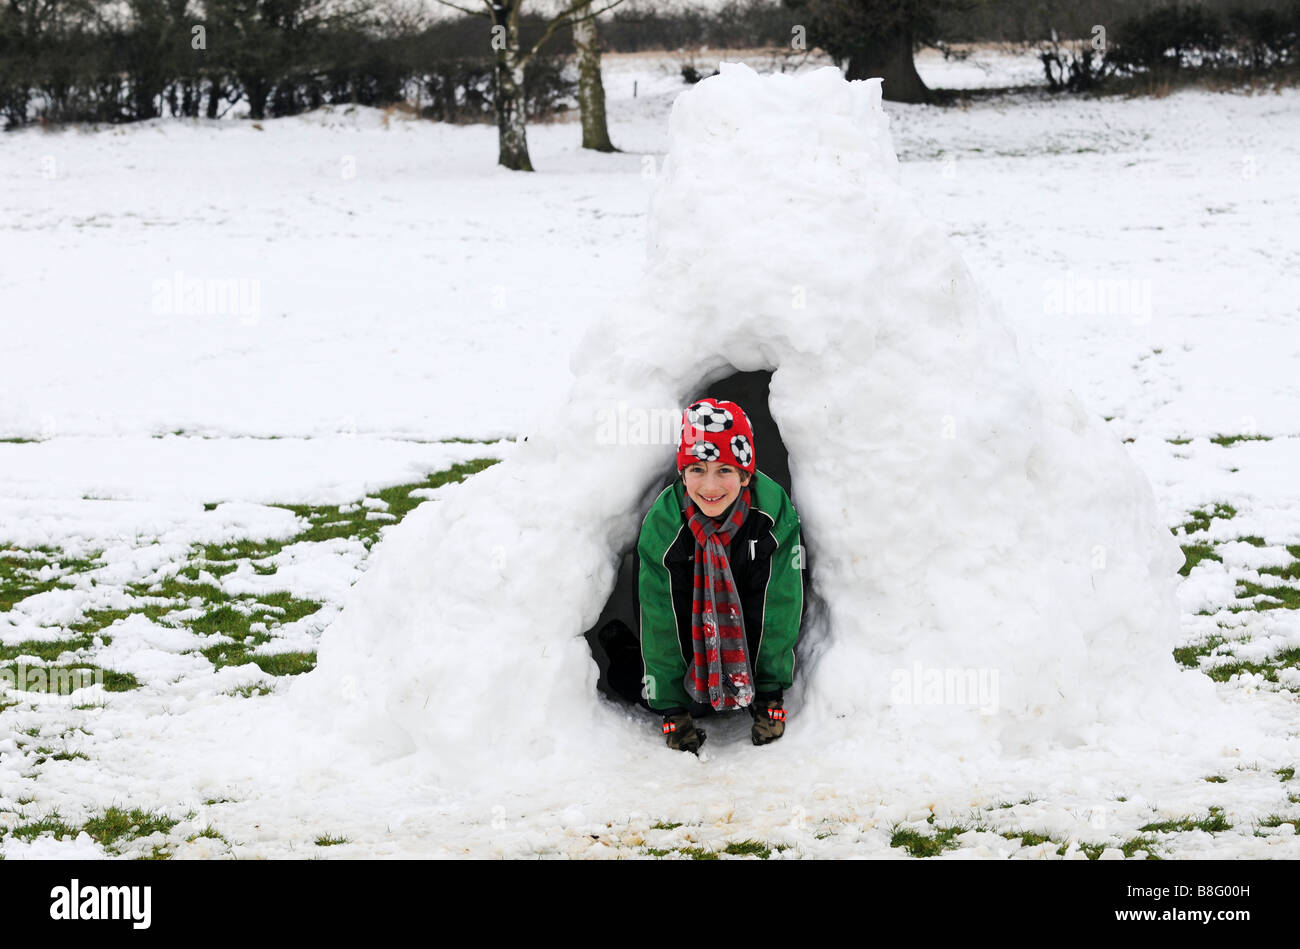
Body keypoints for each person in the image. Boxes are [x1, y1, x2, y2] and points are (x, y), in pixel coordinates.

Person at [633, 396, 805, 754]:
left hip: (745, 627)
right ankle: (620, 648)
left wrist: (770, 690)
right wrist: (671, 708)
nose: (710, 487)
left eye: (724, 469)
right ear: (681, 474)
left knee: (765, 607)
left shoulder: (770, 515)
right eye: (697, 469)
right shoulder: (665, 525)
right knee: (633, 681)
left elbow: (778, 606)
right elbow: (661, 618)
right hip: (691, 632)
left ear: (746, 475)